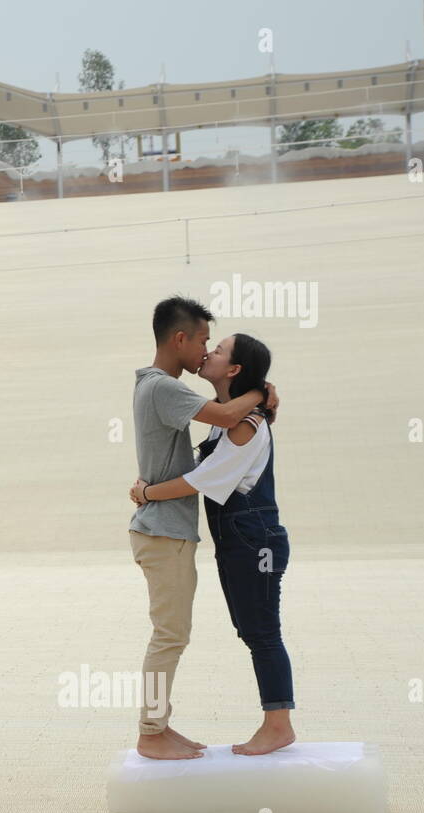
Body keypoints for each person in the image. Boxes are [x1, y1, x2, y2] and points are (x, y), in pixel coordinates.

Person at [128, 296, 278, 760]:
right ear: (180, 339)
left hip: (165, 528)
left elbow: (205, 452)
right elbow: (231, 416)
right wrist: (262, 392)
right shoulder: (163, 388)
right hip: (162, 530)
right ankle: (151, 732)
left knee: (171, 634)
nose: (205, 351)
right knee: (169, 636)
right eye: (203, 341)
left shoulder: (157, 387)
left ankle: (159, 727)